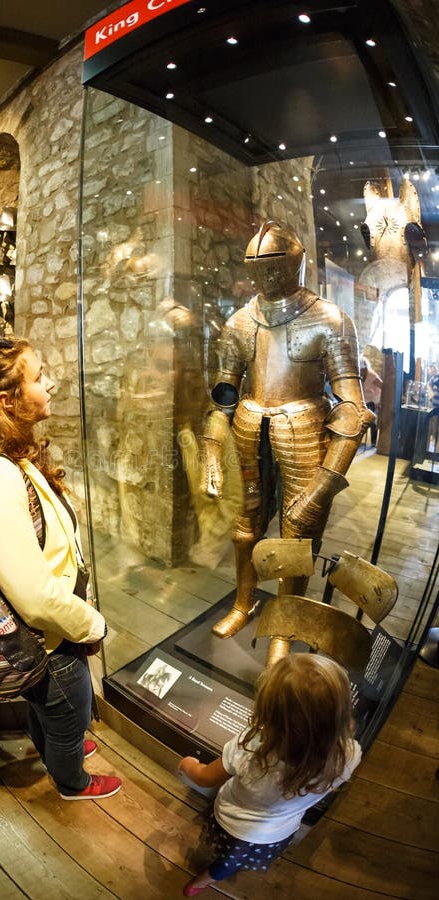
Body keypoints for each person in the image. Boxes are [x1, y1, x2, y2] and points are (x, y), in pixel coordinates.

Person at [0, 336, 121, 800]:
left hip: (54, 632)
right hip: (48, 641)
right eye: (38, 378)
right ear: (5, 399)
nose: (51, 384)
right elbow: (35, 596)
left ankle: (60, 748)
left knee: (53, 711)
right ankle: (71, 780)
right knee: (68, 714)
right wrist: (91, 624)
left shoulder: (9, 458)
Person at [203, 220, 374, 639]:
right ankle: (244, 603)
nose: (266, 272)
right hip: (248, 431)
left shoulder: (330, 320)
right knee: (245, 530)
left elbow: (353, 409)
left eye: (274, 262)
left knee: (297, 536)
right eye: (258, 264)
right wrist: (210, 453)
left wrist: (323, 487)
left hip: (304, 429)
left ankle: (285, 628)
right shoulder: (239, 323)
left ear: (294, 262)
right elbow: (223, 400)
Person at [177, 653, 362, 896]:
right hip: (277, 833)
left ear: (268, 713)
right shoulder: (349, 754)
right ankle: (205, 880)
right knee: (234, 860)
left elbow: (205, 778)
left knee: (228, 856)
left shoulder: (250, 748)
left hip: (234, 824)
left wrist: (188, 764)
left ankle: (201, 880)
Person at [359, 357, 383, 445]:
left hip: (374, 400)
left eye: (362, 368)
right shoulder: (360, 376)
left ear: (365, 367)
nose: (361, 370)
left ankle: (373, 441)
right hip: (366, 400)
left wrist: (380, 402)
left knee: (372, 419)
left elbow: (383, 387)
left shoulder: (372, 375)